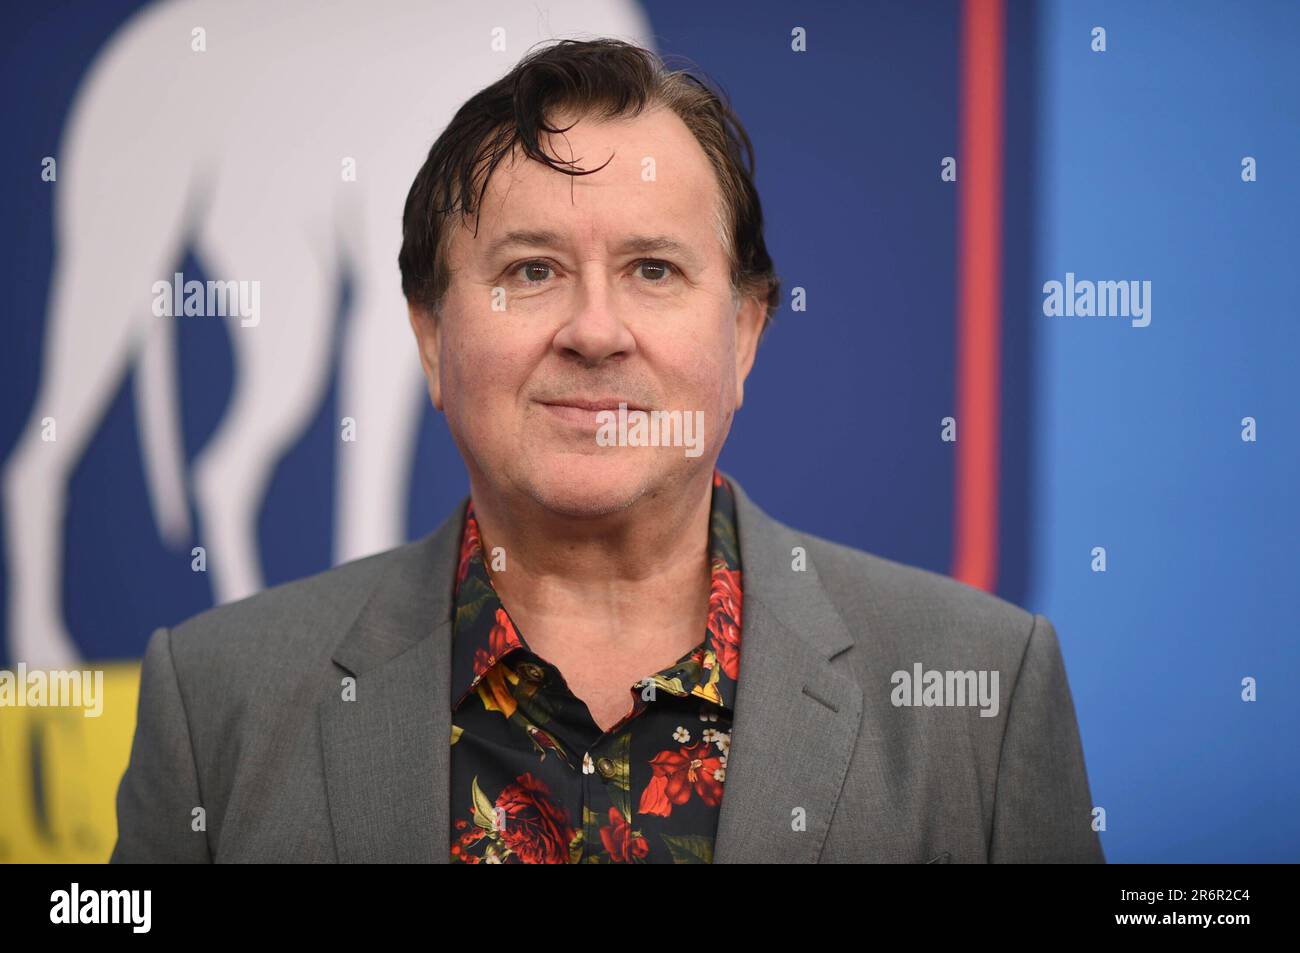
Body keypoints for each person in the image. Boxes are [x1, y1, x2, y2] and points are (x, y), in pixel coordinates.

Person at [111, 38, 1103, 863]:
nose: (594, 329)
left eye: (654, 269)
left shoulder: (981, 691)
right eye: (531, 269)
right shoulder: (218, 705)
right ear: (430, 339)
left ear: (744, 335)